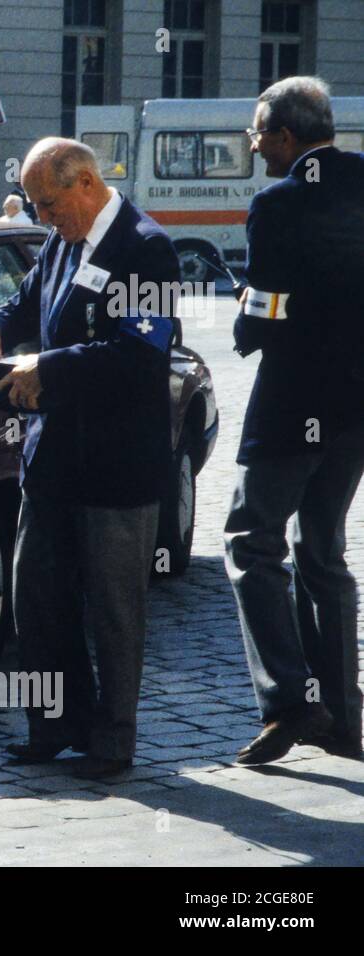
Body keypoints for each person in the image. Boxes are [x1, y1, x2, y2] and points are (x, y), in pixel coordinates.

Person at [0, 137, 177, 780]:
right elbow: (27, 299)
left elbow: (142, 357)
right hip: (52, 457)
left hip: (117, 463)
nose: (42, 217)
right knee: (38, 597)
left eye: (49, 204)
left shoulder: (145, 248)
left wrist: (48, 368)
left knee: (114, 610)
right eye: (35, 206)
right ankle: (53, 725)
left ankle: (112, 740)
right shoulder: (63, 236)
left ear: (85, 183)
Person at [224, 76, 364, 765]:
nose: (253, 146)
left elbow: (267, 313)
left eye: (258, 133)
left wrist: (247, 305)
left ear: (285, 136)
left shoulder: (276, 204)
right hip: (356, 408)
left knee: (251, 543)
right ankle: (343, 716)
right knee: (325, 553)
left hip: (292, 406)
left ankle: (290, 702)